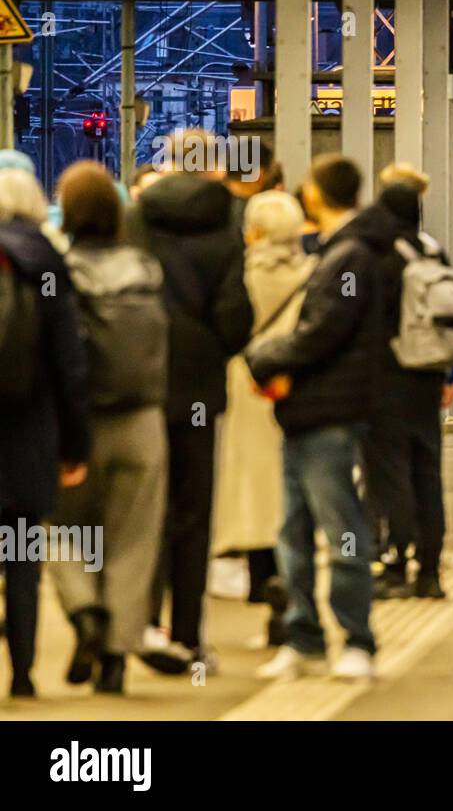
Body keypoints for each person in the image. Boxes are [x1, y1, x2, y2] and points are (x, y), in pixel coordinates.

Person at [247, 154, 386, 681]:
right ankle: (304, 639)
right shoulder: (341, 250)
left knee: (340, 527)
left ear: (316, 195)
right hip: (305, 410)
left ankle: (357, 641)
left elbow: (326, 330)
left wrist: (266, 357)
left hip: (330, 408)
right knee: (294, 530)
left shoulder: (349, 254)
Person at [125, 127, 253, 673]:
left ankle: (142, 626)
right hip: (200, 392)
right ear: (212, 167)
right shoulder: (226, 226)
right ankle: (190, 636)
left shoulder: (136, 220)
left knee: (142, 514)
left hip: (143, 385)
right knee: (192, 515)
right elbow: (234, 320)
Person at [48, 162, 168, 695]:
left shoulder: (60, 271)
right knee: (133, 539)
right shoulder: (146, 268)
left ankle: (85, 613)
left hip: (77, 419)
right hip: (143, 417)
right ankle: (116, 657)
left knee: (56, 528)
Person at [0, 168, 90, 698]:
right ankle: (25, 674)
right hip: (31, 433)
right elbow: (70, 366)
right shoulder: (47, 263)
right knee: (23, 559)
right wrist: (74, 445)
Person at [213, 191, 315, 646]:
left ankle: (260, 583)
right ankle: (293, 594)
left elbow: (227, 330)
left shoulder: (239, 274)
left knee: (252, 488)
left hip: (246, 387)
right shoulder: (314, 277)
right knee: (292, 489)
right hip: (297, 388)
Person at [358, 173, 453, 600]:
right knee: (427, 473)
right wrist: (449, 375)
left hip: (387, 378)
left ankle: (396, 565)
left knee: (390, 475)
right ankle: (430, 572)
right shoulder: (434, 251)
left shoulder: (380, 256)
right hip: (429, 377)